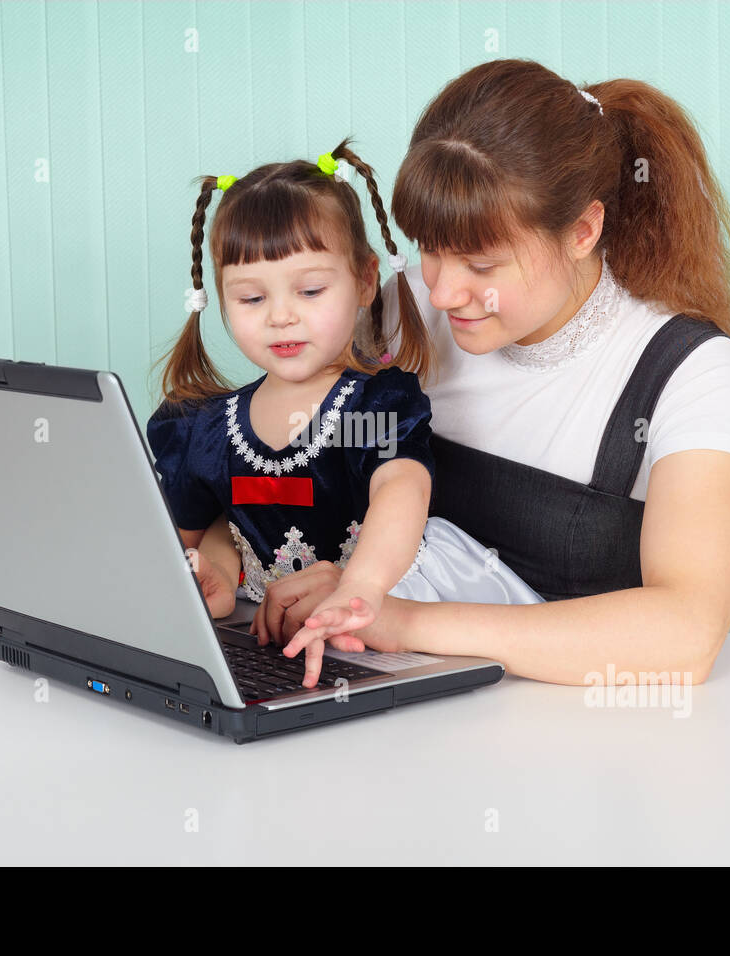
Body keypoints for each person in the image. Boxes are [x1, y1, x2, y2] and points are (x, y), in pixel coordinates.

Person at [237, 60, 730, 685]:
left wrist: (407, 620)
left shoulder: (684, 366)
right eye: (430, 247)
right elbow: (304, 465)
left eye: (480, 263)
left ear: (583, 230)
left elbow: (687, 635)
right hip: (402, 710)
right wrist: (342, 578)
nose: (441, 291)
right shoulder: (402, 311)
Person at [146, 139, 547, 689]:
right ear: (219, 298)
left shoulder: (371, 406)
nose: (281, 317)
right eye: (251, 299)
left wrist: (359, 589)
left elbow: (402, 487)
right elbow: (189, 539)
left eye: (310, 290)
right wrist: (211, 579)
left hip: (391, 611)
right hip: (282, 641)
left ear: (363, 281)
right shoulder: (205, 430)